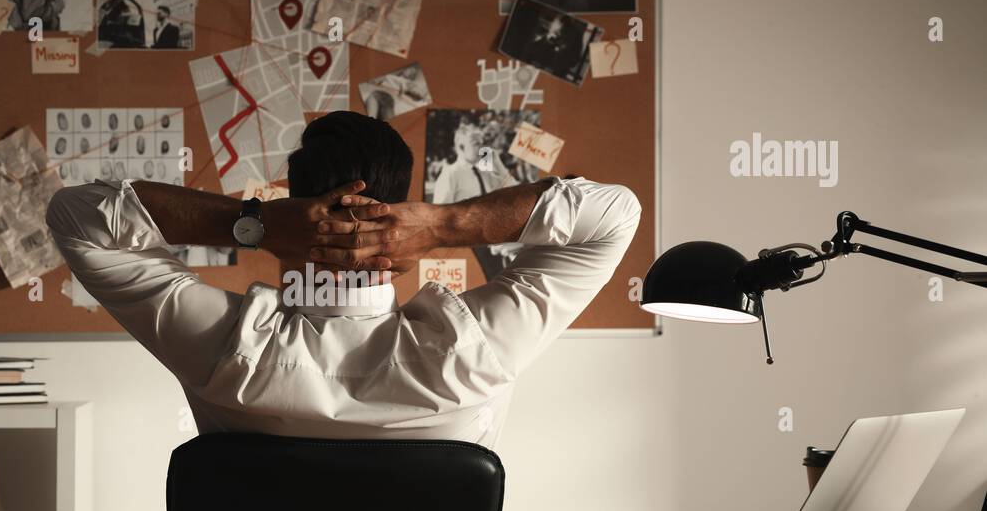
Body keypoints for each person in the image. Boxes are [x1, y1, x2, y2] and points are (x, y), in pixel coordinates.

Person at [47, 110, 640, 447]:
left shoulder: (223, 349)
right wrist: (443, 224)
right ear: (403, 214)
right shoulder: (476, 352)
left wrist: (250, 223)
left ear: (286, 211)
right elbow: (615, 216)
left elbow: (75, 215)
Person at [430, 121, 517, 204]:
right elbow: (440, 213)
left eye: (481, 143)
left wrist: (498, 163)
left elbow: (514, 191)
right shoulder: (450, 174)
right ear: (461, 147)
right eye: (476, 144)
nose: (481, 148)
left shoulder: (485, 173)